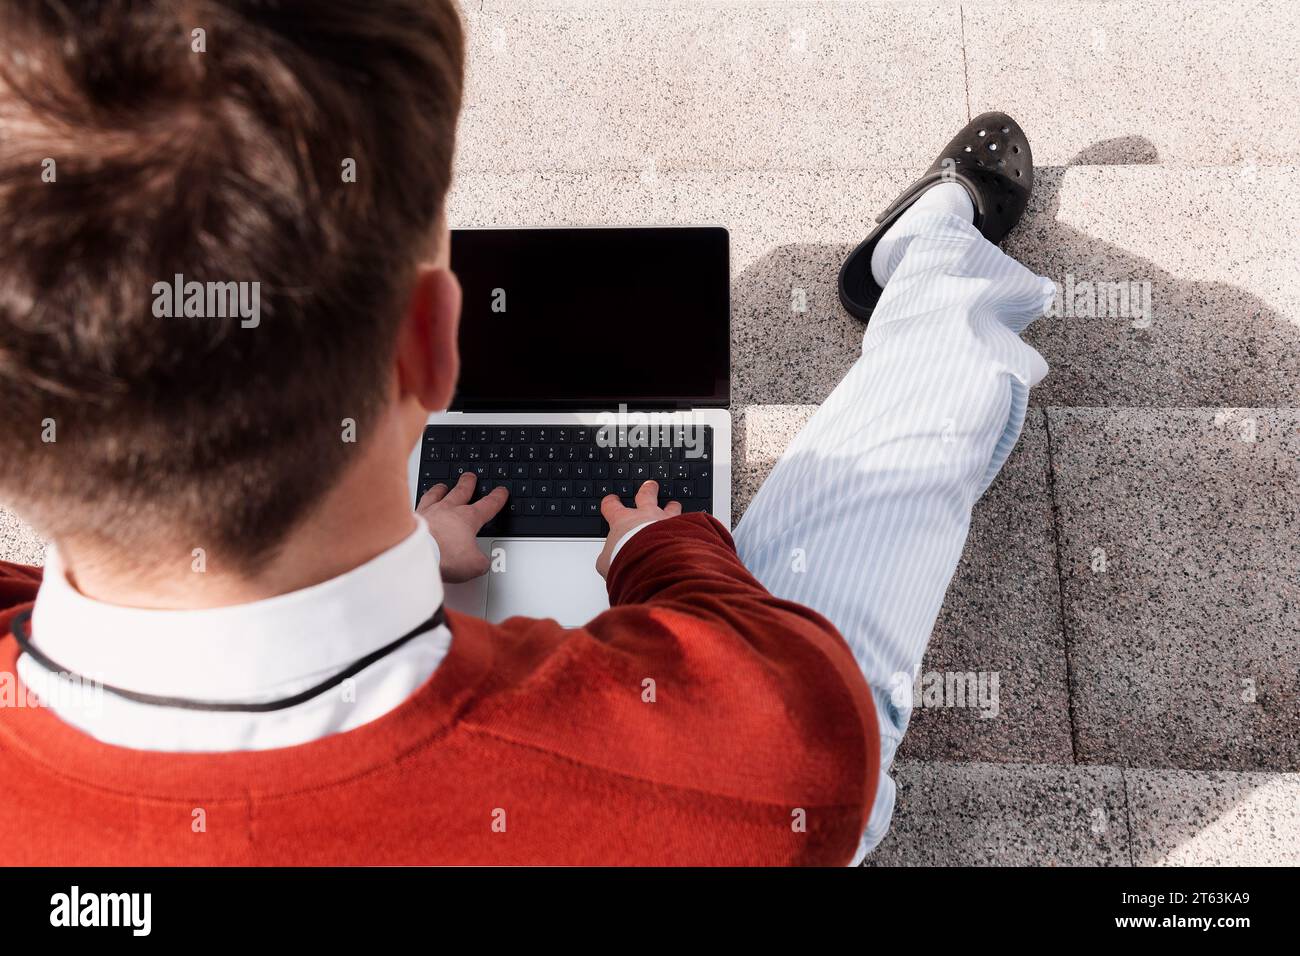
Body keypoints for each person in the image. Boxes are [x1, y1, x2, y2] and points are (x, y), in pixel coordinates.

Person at [0, 0, 1051, 866]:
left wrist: (426, 566)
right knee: (871, 536)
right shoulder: (768, 765)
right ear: (430, 344)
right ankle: (936, 261)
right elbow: (798, 721)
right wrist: (665, 554)